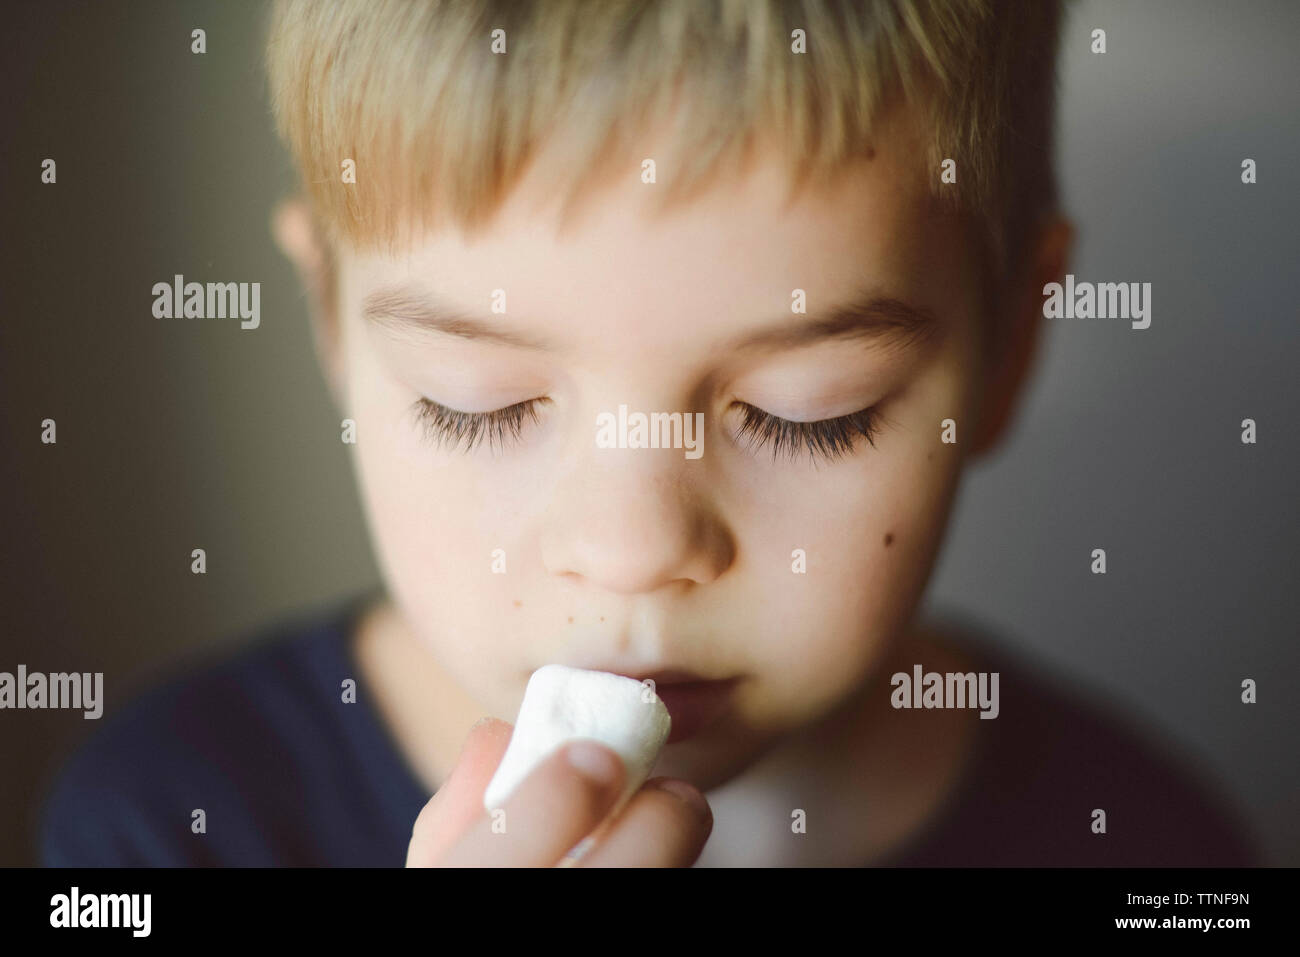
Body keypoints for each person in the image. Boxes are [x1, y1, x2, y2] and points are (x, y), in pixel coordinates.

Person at [39, 0, 1257, 867]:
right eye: (483, 402)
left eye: (807, 416)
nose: (630, 554)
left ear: (1011, 345)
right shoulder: (165, 825)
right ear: (333, 329)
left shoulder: (1146, 843)